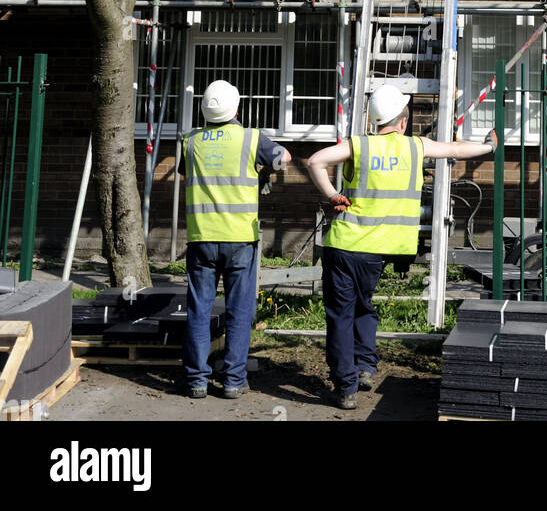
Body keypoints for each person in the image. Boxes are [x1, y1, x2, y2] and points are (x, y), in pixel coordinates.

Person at [305, 82, 497, 410]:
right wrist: (488, 147)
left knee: (340, 315)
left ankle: (346, 386)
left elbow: (315, 161)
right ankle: (365, 367)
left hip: (343, 245)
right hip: (378, 251)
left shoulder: (359, 146)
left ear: (376, 121)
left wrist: (332, 195)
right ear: (403, 121)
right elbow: (454, 150)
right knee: (364, 305)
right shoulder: (416, 147)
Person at [180, 78, 289, 399]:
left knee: (199, 309)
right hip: (240, 239)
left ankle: (197, 380)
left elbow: (190, 173)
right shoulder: (251, 138)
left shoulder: (190, 141)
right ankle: (232, 380)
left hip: (201, 237)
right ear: (237, 108)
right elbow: (284, 158)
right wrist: (265, 173)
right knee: (239, 311)